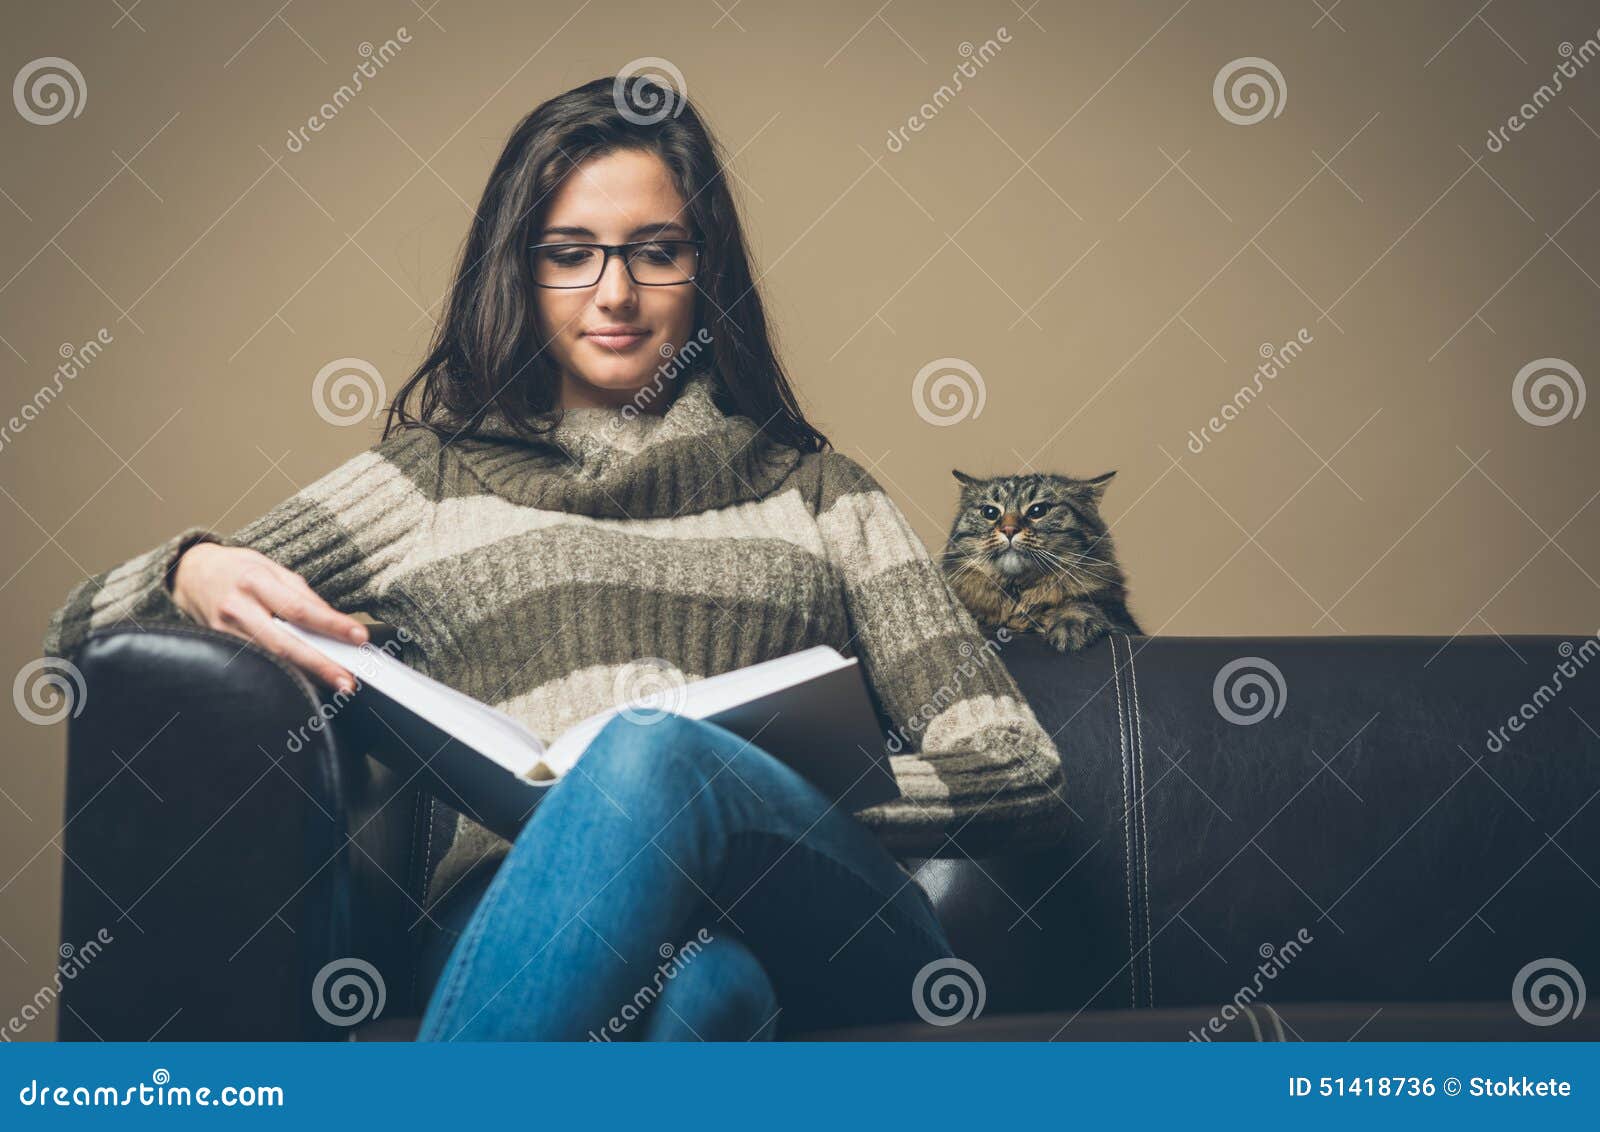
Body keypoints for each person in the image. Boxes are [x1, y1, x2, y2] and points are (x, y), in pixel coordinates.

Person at [42, 76, 1068, 1040]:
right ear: (520, 270)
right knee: (701, 992)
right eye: (570, 251)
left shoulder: (818, 490)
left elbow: (1015, 767)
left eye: (655, 249)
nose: (613, 290)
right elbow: (85, 634)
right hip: (523, 912)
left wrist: (738, 788)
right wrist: (191, 569)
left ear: (703, 267)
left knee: (652, 752)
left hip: (821, 919)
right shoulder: (428, 481)